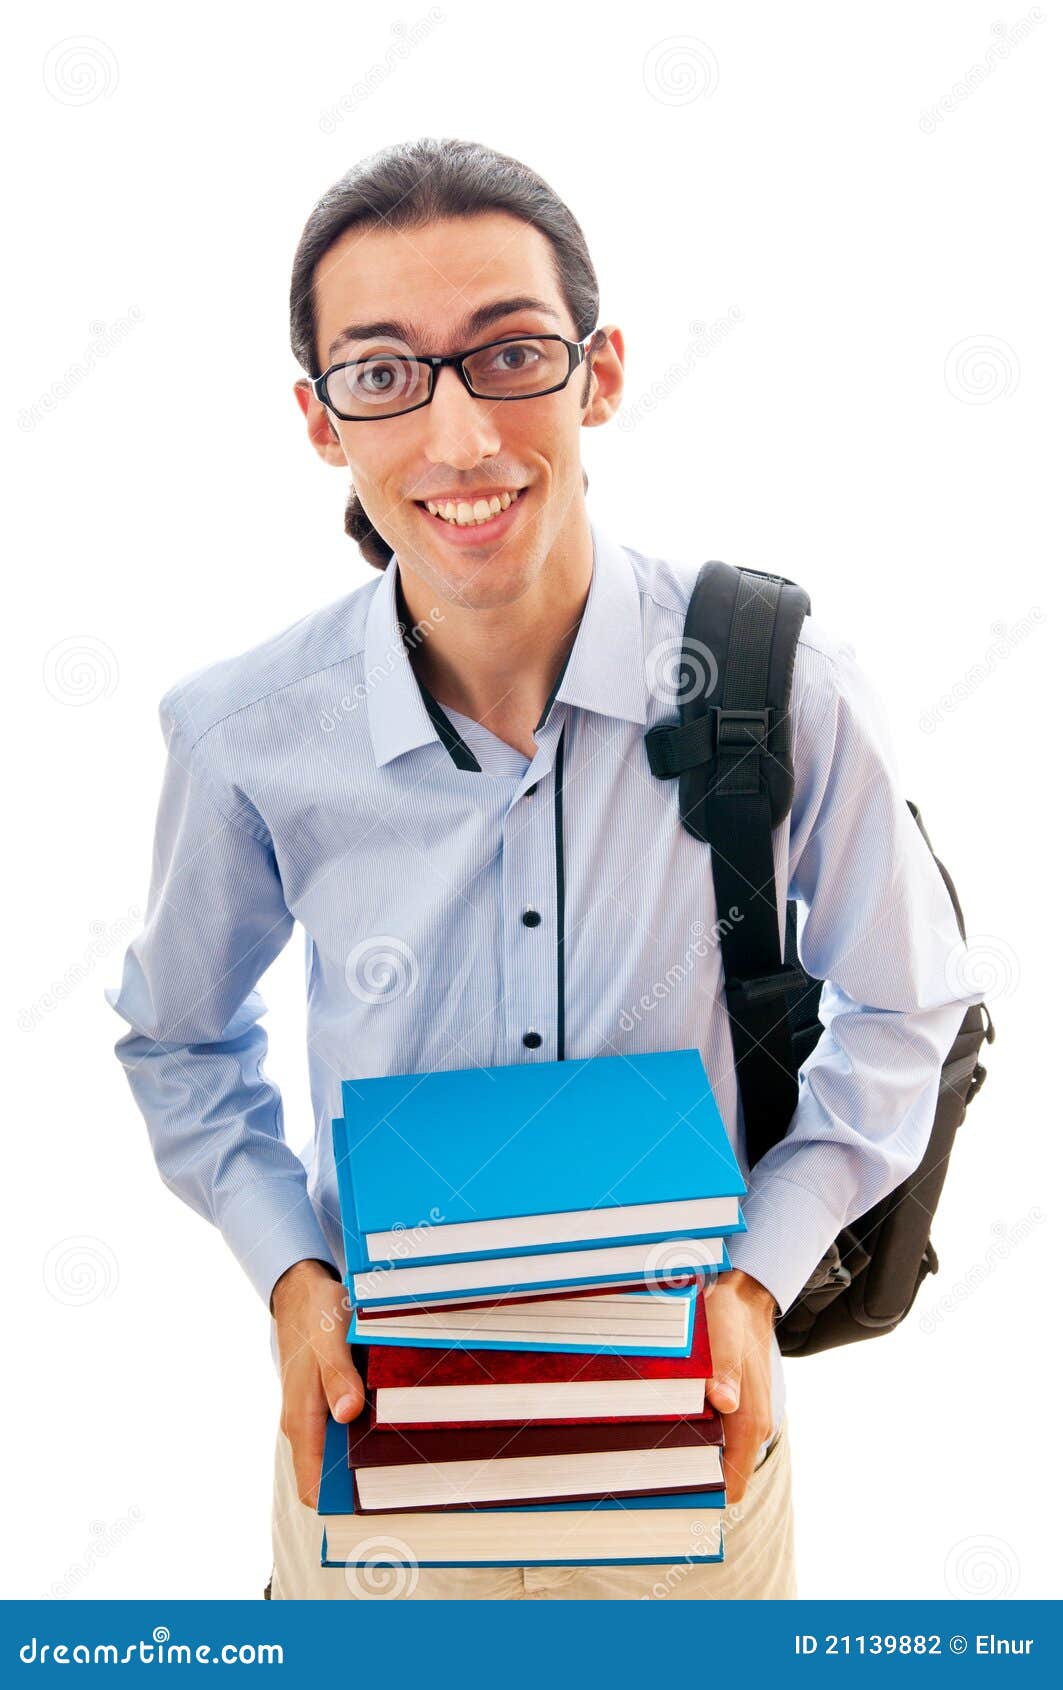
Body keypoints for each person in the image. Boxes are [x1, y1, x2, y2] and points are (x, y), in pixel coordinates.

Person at [107, 138, 978, 1600]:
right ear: (323, 424)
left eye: (509, 353)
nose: (455, 440)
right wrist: (289, 1273)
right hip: (377, 1447)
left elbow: (911, 1004)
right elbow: (177, 1038)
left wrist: (759, 1273)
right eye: (382, 374)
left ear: (604, 372)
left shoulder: (781, 683)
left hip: (689, 1435)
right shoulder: (245, 734)